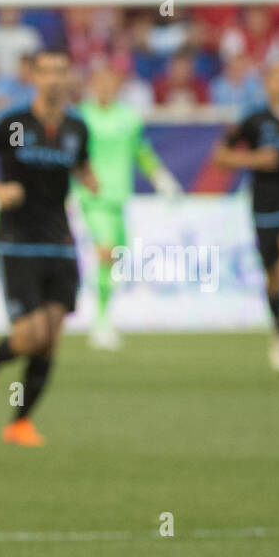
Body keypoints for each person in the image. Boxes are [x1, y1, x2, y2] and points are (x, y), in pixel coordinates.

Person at [0, 50, 98, 446]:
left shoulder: (76, 127)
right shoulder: (14, 122)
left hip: (60, 242)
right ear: (33, 77)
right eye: (46, 72)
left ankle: (19, 422)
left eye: (60, 71)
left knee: (51, 337)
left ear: (68, 77)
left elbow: (81, 165)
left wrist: (90, 180)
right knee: (30, 335)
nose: (53, 79)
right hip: (18, 241)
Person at [213, 58, 279, 380]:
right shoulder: (254, 120)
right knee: (274, 278)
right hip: (264, 211)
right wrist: (253, 159)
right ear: (268, 84)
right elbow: (221, 156)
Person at [77, 63, 180, 350]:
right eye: (99, 82)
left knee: (116, 259)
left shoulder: (128, 118)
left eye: (110, 82)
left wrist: (161, 177)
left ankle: (104, 317)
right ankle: (99, 324)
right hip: (93, 197)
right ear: (92, 84)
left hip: (119, 197)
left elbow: (140, 151)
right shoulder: (81, 117)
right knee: (107, 252)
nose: (104, 88)